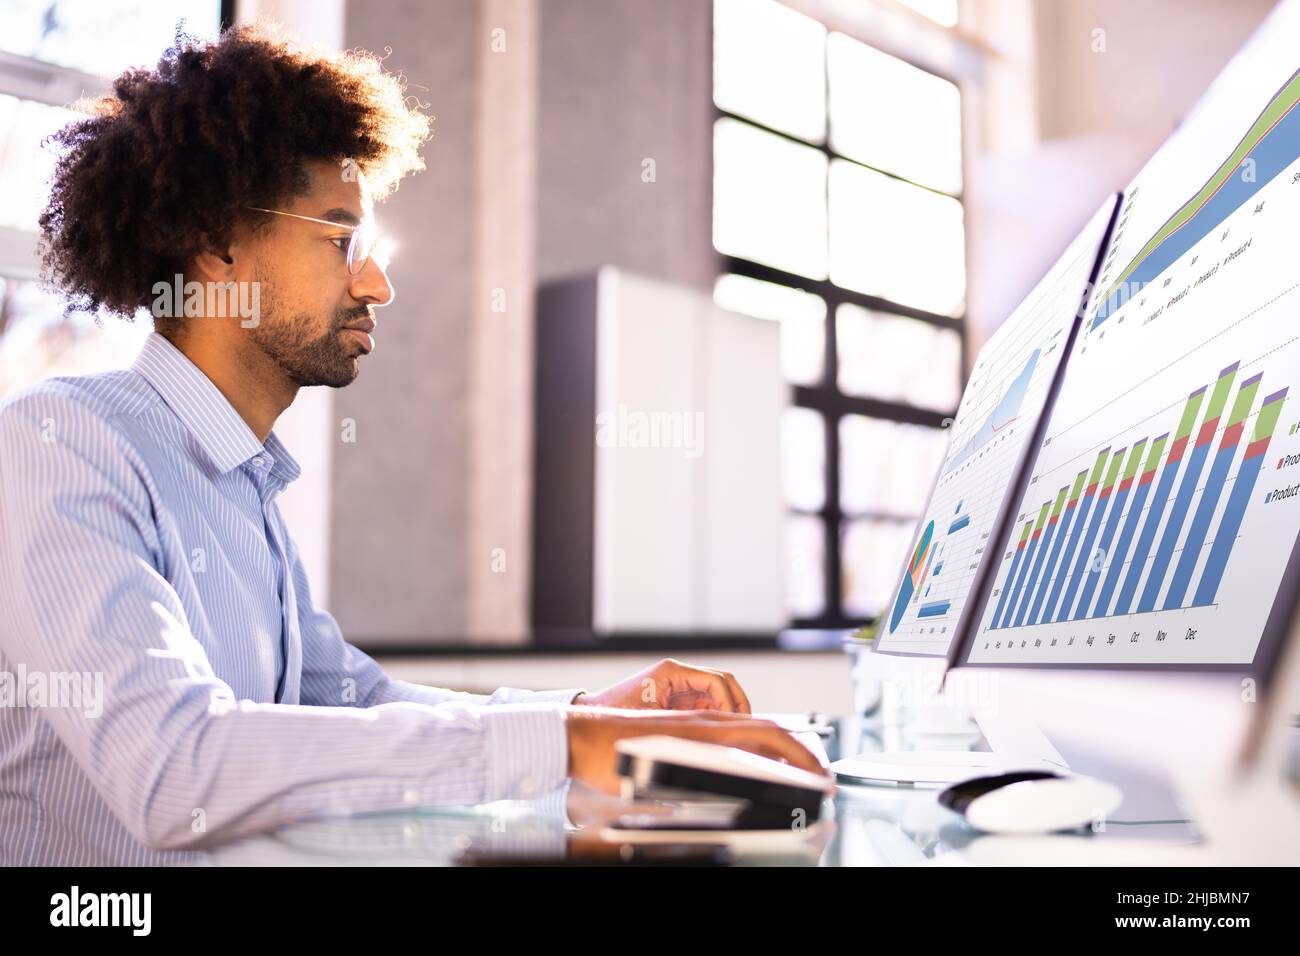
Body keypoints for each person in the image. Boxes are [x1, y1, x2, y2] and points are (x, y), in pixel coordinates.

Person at [0, 26, 826, 866]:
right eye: (339, 240)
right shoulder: (60, 444)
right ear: (215, 248)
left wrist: (591, 710)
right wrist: (574, 740)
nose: (376, 283)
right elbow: (173, 765)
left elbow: (358, 704)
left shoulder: (243, 487)